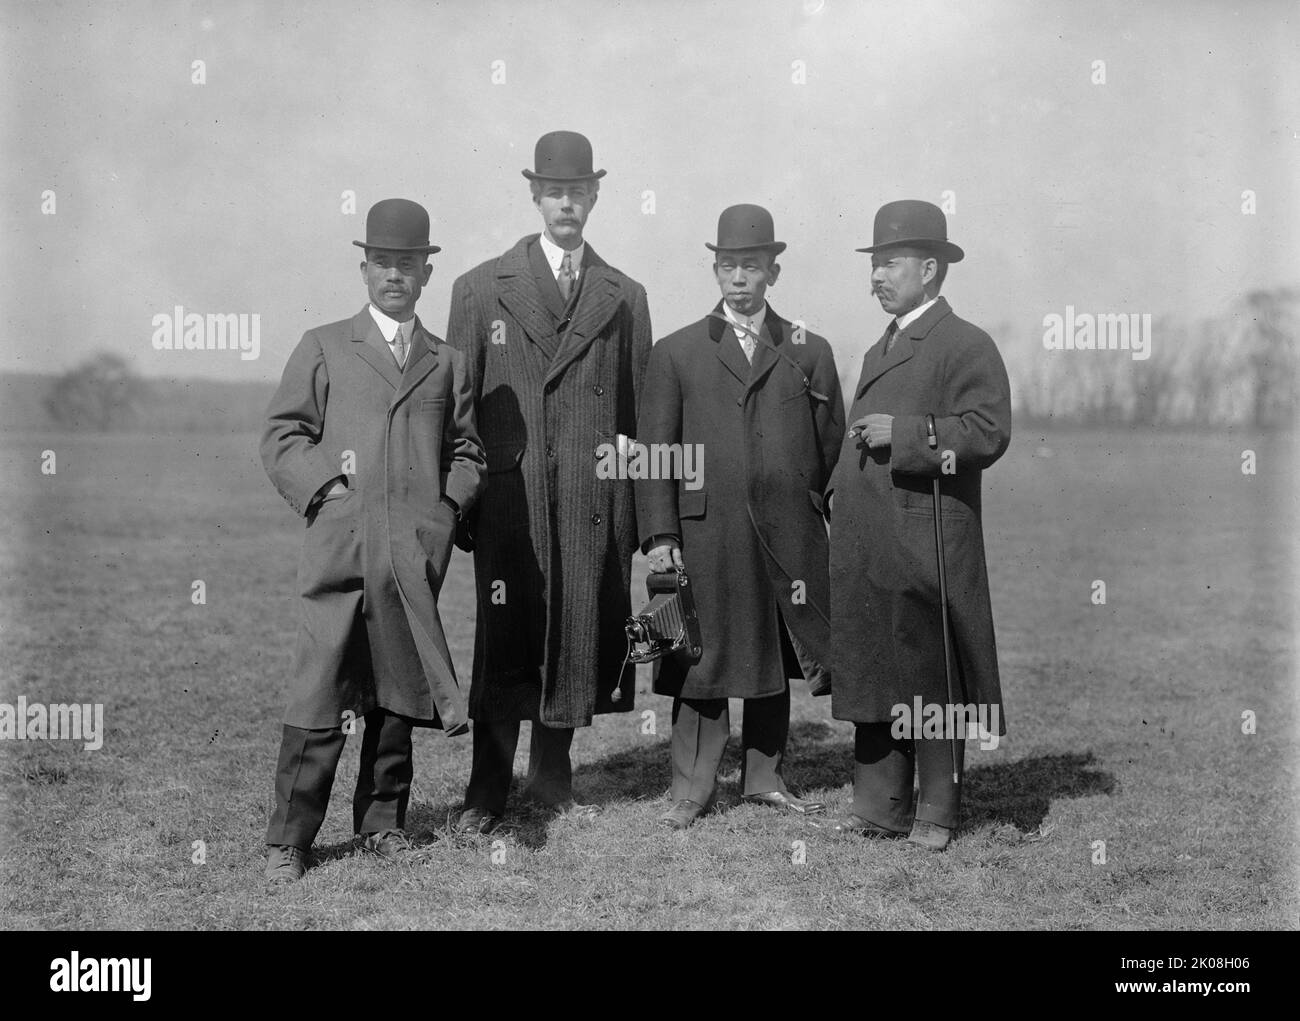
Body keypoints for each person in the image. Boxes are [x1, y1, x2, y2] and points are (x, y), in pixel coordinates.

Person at [260, 198, 486, 883]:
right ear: (365, 269)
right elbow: (282, 435)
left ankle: (383, 823)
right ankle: (289, 840)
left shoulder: (447, 362)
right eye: (383, 262)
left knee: (397, 689)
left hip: (410, 556)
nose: (395, 274)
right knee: (319, 689)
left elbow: (469, 451)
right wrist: (327, 492)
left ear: (426, 273)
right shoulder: (325, 345)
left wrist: (445, 509)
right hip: (339, 549)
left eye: (408, 263)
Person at [445, 131, 652, 833]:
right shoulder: (479, 289)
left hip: (590, 501)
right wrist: (466, 502)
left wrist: (628, 515)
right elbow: (459, 408)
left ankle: (553, 775)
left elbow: (636, 419)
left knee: (575, 630)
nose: (568, 203)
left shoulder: (624, 296)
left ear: (595, 195)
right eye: (555, 191)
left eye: (580, 191)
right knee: (506, 639)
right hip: (511, 501)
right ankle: (485, 790)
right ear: (535, 194)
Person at [636, 204, 844, 829]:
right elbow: (653, 454)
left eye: (751, 266)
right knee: (700, 658)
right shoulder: (676, 353)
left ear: (773, 272)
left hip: (786, 536)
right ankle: (691, 791)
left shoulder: (809, 350)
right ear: (716, 270)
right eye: (728, 265)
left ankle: (764, 779)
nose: (738, 278)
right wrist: (661, 534)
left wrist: (815, 513)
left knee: (773, 654)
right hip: (705, 533)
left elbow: (830, 446)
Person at [827, 199, 1011, 851]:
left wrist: (907, 434)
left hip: (928, 539)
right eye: (874, 264)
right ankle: (880, 807)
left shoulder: (965, 344)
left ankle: (935, 812)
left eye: (889, 263)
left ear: (930, 269)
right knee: (877, 666)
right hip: (873, 543)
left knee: (930, 677)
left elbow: (989, 432)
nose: (876, 276)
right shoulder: (886, 342)